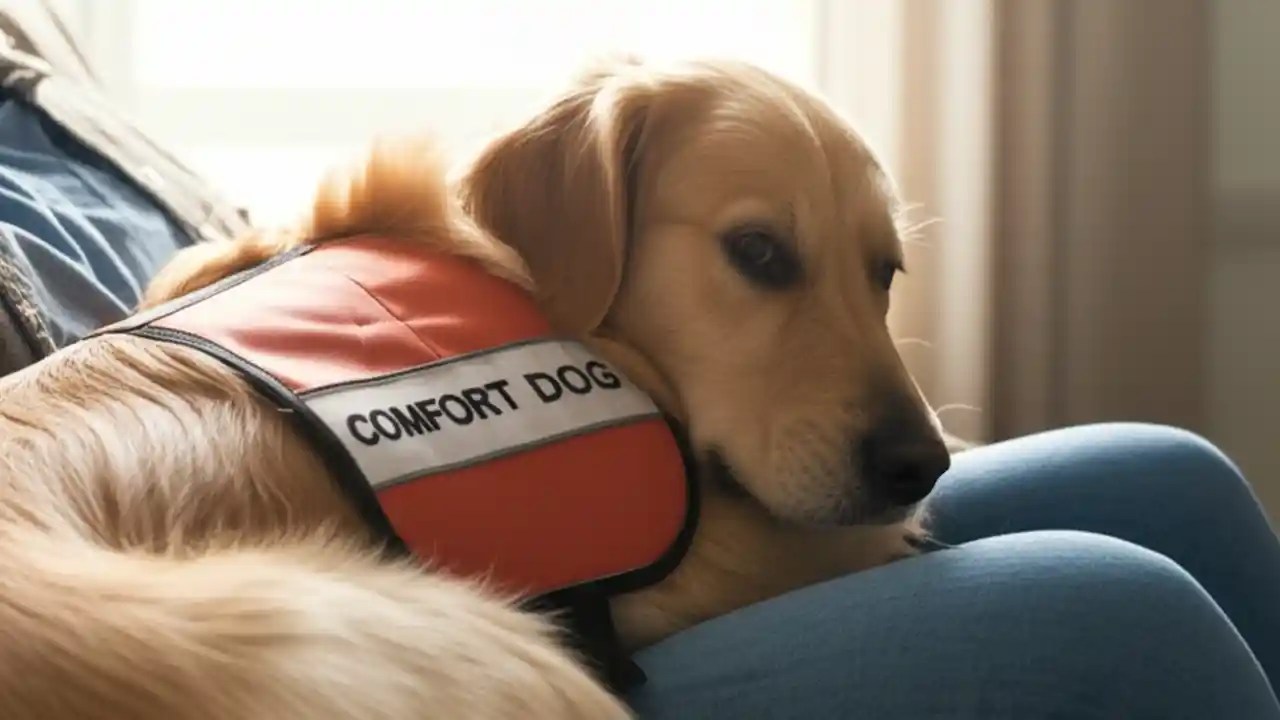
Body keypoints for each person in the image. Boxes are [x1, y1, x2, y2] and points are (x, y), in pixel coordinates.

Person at [1, 4, 1276, 718]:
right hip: (207, 651)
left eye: (875, 275)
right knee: (1123, 611)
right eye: (760, 258)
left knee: (1171, 481)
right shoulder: (542, 250)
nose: (898, 412)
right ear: (577, 217)